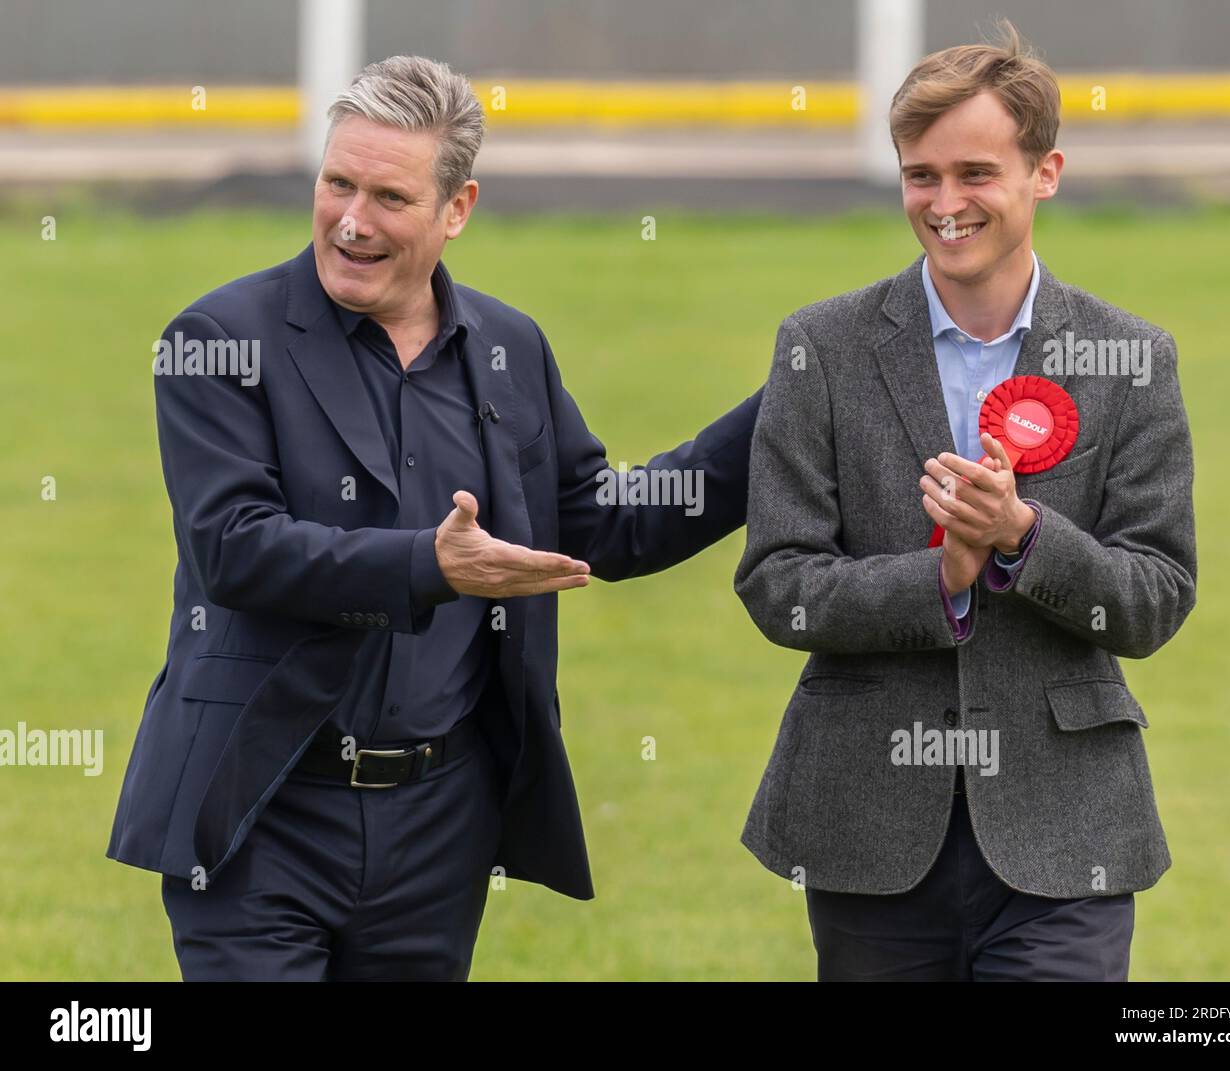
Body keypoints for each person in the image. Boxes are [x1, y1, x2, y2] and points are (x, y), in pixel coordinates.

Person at [107, 54, 761, 981]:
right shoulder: (219, 340)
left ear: (458, 209)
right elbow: (235, 548)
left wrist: (786, 408)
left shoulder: (508, 347)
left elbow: (602, 523)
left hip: (438, 828)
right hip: (259, 809)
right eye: (337, 182)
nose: (350, 219)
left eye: (389, 197)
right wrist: (432, 565)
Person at [733, 23, 1196, 981]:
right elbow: (779, 584)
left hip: (1066, 832)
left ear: (1046, 171)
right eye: (921, 176)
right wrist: (936, 576)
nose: (945, 205)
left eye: (976, 172)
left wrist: (1024, 538)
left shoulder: (1131, 359)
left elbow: (1154, 595)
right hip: (868, 827)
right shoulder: (819, 345)